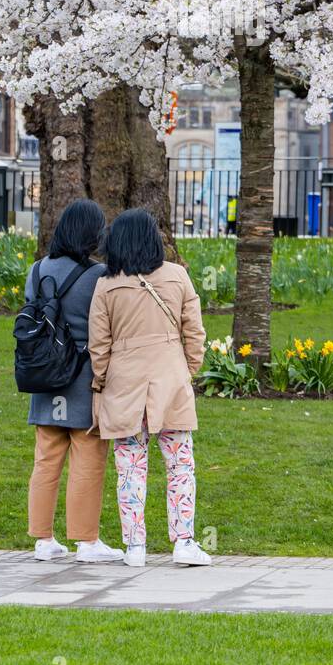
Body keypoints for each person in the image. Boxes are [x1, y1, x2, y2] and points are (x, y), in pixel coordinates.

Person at [88, 208, 210, 568]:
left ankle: (134, 546)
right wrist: (185, 370)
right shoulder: (177, 276)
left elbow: (99, 344)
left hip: (124, 384)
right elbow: (195, 334)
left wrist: (101, 381)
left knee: (129, 467)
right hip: (170, 380)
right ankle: (184, 540)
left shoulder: (106, 284)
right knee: (180, 464)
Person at [26, 199, 124, 564]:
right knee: (88, 459)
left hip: (44, 374)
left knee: (46, 459)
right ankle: (86, 541)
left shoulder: (36, 270)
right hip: (83, 376)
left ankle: (43, 539)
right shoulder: (98, 276)